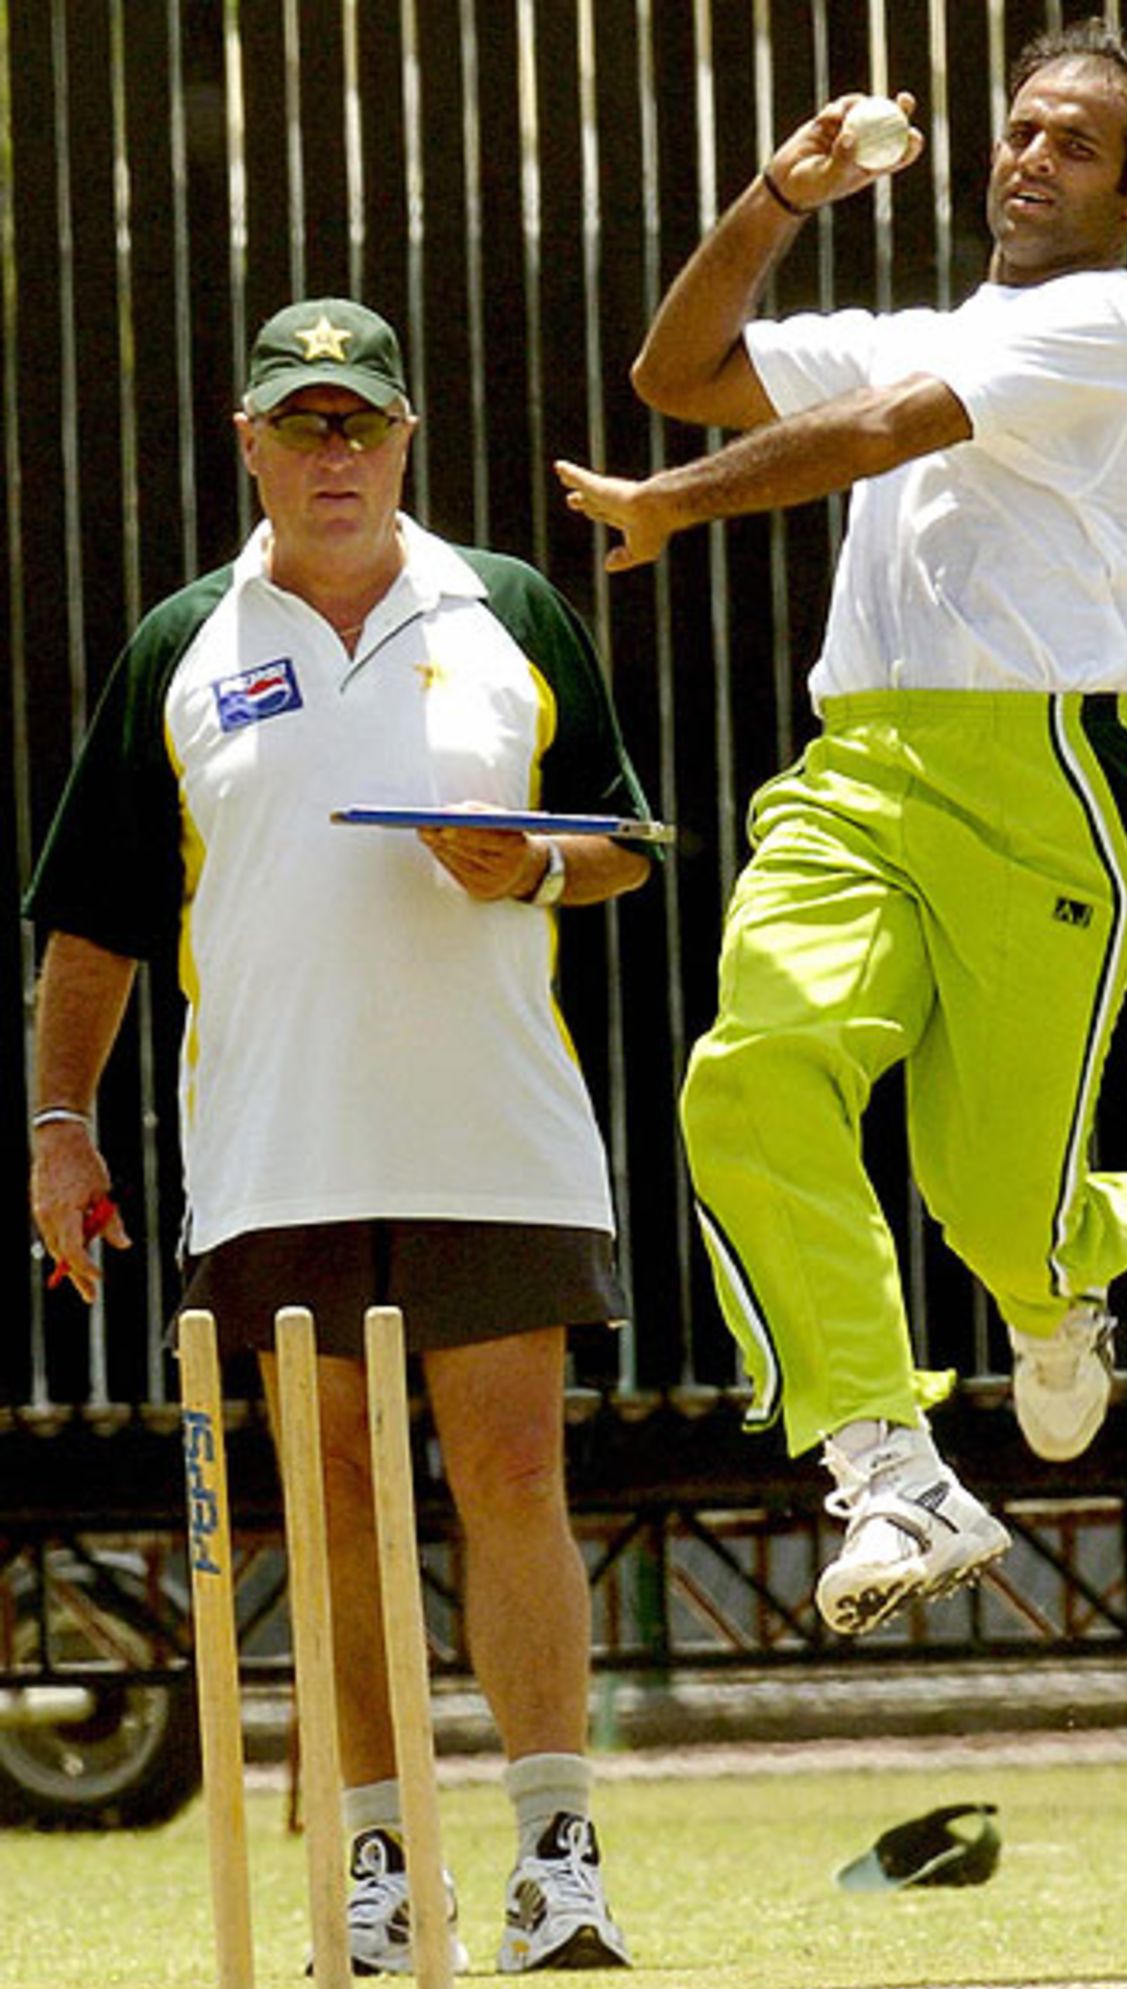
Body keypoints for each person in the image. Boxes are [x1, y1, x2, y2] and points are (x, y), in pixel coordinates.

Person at [26, 296, 655, 1972]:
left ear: (403, 439)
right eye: (300, 424)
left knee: (515, 1475)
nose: (332, 452)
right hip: (276, 1149)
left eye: (358, 422)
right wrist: (56, 1124)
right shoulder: (182, 641)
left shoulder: (504, 607)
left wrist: (525, 862)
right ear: (248, 441)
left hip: (493, 1136)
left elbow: (625, 842)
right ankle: (380, 1867)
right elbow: (91, 922)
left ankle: (555, 1857)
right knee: (337, 1509)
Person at [556, 21, 1127, 1638]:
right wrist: (780, 194)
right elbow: (676, 376)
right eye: (1020, 128)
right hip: (857, 771)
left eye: (1072, 141)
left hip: (1043, 785)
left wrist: (673, 506)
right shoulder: (932, 325)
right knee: (749, 1074)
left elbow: (874, 435)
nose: (1029, 155)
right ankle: (886, 1459)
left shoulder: (1115, 323)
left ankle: (1061, 1284)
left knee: (988, 1197)